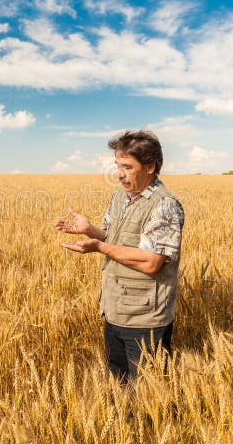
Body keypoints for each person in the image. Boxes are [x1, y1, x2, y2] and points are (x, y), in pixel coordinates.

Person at [54, 130, 185, 381]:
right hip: (115, 311)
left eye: (127, 166)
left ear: (150, 167)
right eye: (117, 165)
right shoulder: (120, 197)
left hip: (145, 319)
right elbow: (114, 240)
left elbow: (151, 262)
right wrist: (90, 230)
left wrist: (99, 248)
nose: (119, 174)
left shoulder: (164, 205)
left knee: (149, 397)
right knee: (120, 389)